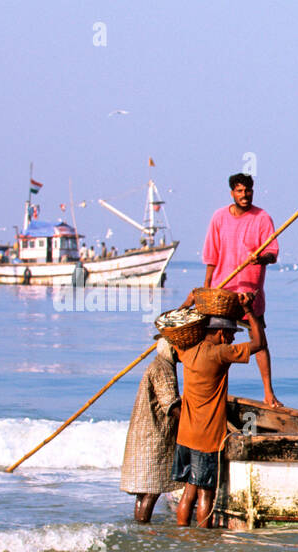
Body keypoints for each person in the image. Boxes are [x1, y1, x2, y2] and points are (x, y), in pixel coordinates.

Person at [174, 295, 265, 527]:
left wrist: (188, 302)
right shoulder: (220, 354)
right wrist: (249, 310)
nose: (233, 339)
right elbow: (259, 343)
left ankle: (183, 535)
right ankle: (203, 541)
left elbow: (173, 324)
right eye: (232, 334)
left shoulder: (186, 350)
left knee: (189, 490)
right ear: (221, 333)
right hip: (206, 437)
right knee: (206, 493)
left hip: (185, 434)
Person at [198, 173, 282, 408]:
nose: (244, 195)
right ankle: (214, 393)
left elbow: (272, 254)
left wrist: (260, 258)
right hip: (222, 291)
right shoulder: (219, 217)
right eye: (240, 191)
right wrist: (206, 290)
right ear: (232, 193)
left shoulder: (262, 218)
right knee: (216, 344)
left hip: (250, 294)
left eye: (248, 191)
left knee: (259, 341)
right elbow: (211, 257)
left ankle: (268, 393)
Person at [120, 337, 180, 522]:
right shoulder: (163, 368)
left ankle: (140, 526)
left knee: (145, 490)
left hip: (144, 432)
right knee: (153, 490)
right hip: (154, 435)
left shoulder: (158, 364)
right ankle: (144, 528)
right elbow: (170, 404)